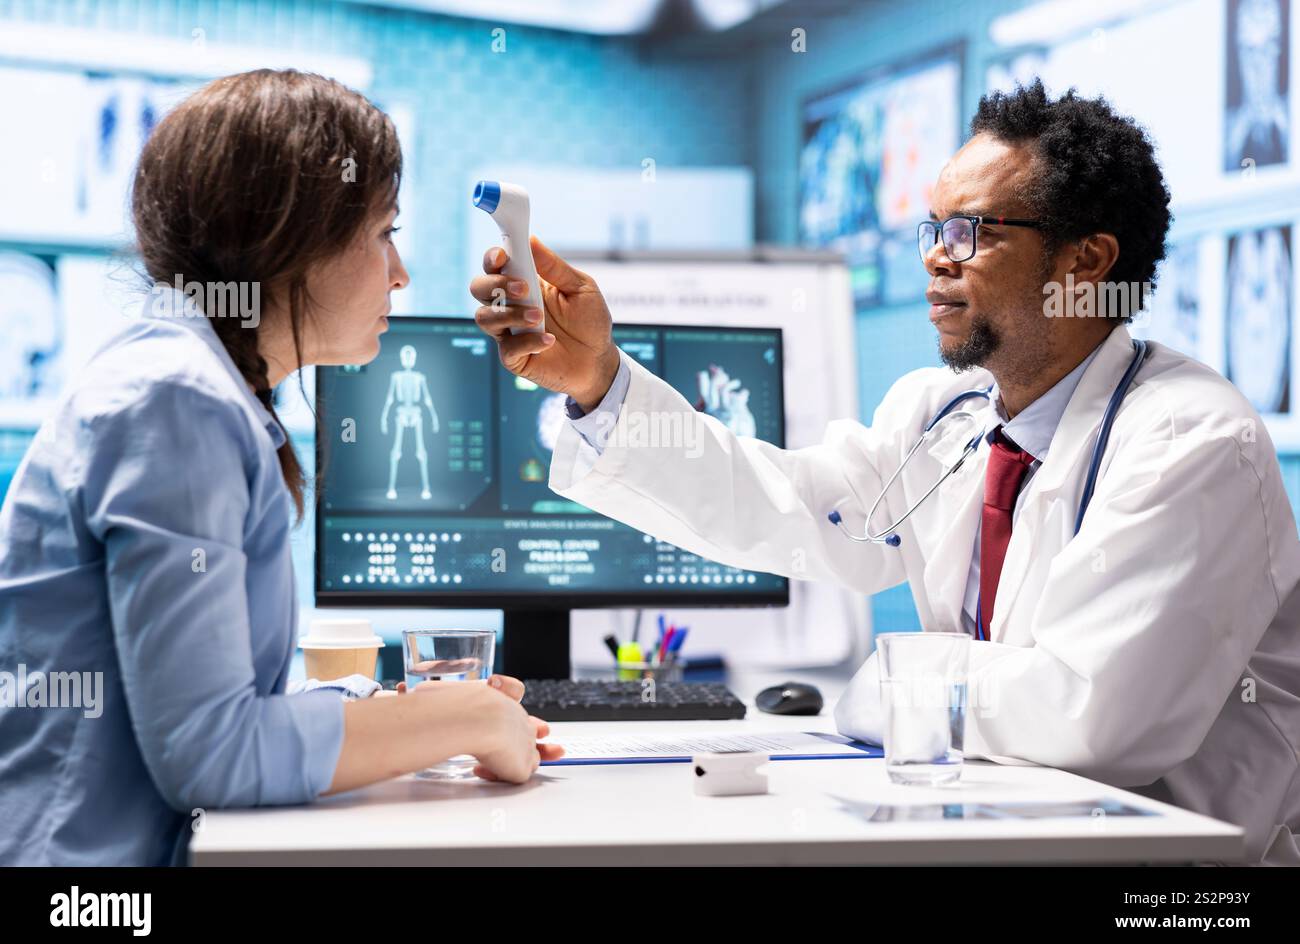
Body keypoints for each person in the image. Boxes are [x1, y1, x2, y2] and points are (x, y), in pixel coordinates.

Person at [470, 81, 1300, 865]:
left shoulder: (1191, 441)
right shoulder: (949, 411)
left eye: (971, 231)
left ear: (1085, 263)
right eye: (931, 230)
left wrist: (894, 678)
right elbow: (788, 507)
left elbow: (1093, 719)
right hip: (1003, 831)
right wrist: (598, 381)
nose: (937, 258)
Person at [0, 69, 560, 867]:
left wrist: (395, 714)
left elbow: (209, 711)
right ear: (292, 237)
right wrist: (463, 720)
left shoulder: (200, 390)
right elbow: (209, 752)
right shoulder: (176, 400)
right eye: (383, 233)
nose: (399, 273)